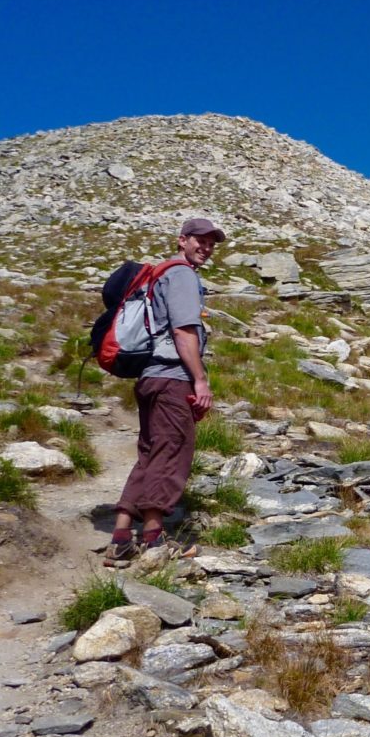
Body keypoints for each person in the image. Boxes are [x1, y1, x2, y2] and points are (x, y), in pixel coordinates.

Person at [106, 217, 225, 564]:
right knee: (171, 452)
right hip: (172, 378)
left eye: (211, 243)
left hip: (150, 377)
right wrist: (200, 381)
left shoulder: (159, 274)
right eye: (199, 241)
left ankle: (120, 537)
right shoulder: (183, 275)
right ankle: (155, 541)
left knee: (150, 453)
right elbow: (184, 331)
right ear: (182, 240)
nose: (205, 247)